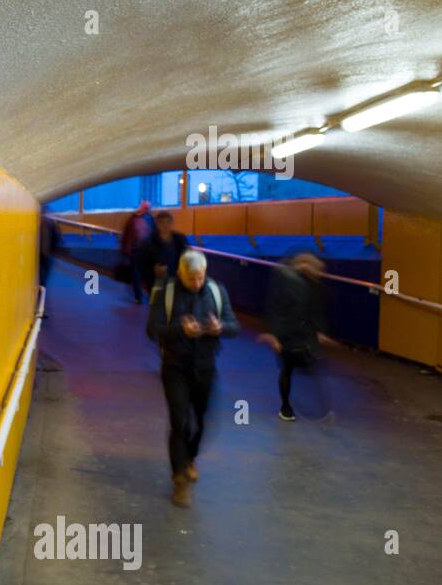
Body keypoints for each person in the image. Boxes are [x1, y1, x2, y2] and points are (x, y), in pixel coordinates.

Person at [146, 250, 240, 507]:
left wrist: (220, 328)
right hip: (175, 367)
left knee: (201, 420)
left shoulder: (216, 291)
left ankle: (189, 459)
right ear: (180, 273)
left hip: (205, 366)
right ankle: (180, 480)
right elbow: (152, 330)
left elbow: (234, 326)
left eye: (200, 278)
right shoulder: (164, 292)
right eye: (191, 279)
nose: (197, 283)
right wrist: (180, 330)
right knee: (180, 422)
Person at [258, 253, 332, 421]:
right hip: (287, 334)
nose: (318, 274)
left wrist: (319, 330)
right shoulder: (285, 280)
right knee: (289, 368)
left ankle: (313, 408)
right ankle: (286, 407)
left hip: (302, 333)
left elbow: (315, 309)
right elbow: (275, 308)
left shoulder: (313, 284)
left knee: (301, 367)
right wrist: (274, 335)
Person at [138, 210, 189, 295]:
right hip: (157, 285)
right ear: (157, 224)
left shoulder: (180, 240)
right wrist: (153, 270)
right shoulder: (149, 243)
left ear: (172, 223)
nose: (165, 225)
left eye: (168, 222)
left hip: (177, 283)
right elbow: (142, 266)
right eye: (161, 222)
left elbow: (188, 259)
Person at [119, 201, 155, 302]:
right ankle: (140, 295)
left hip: (143, 251)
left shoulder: (135, 219)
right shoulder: (146, 219)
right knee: (139, 274)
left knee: (140, 274)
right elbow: (127, 236)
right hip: (138, 251)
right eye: (146, 208)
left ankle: (141, 295)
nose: (147, 210)